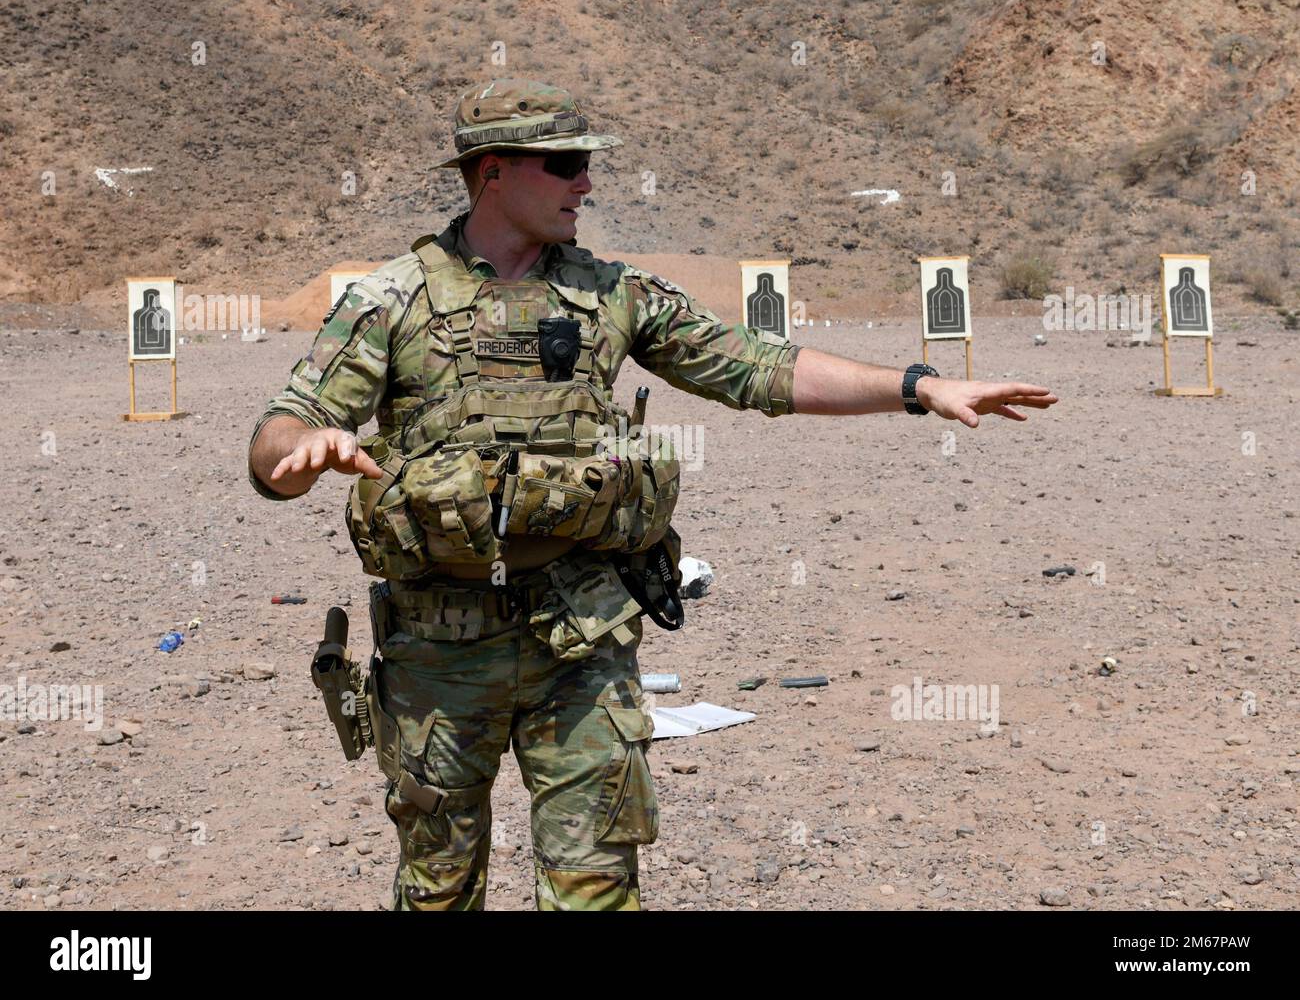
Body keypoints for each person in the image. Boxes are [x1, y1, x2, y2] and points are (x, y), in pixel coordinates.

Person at [247, 78, 1058, 911]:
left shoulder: (614, 293)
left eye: (587, 164)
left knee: (596, 890)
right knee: (437, 891)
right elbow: (279, 431)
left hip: (582, 637)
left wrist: (917, 386)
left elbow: (758, 366)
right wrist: (303, 453)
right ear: (491, 170)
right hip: (437, 652)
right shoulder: (392, 300)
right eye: (564, 164)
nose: (586, 184)